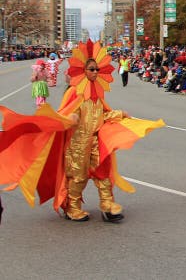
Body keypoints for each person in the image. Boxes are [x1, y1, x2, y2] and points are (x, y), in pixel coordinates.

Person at [0, 40, 164, 222]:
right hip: (77, 143)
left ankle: (108, 206)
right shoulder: (74, 92)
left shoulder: (96, 93)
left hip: (96, 140)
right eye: (91, 69)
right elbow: (65, 114)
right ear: (83, 71)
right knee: (78, 176)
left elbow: (102, 114)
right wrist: (69, 119)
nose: (95, 72)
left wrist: (119, 114)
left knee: (103, 173)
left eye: (97, 69)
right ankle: (72, 207)